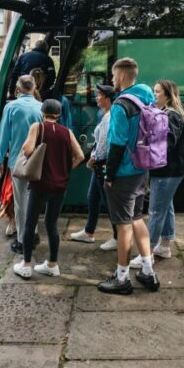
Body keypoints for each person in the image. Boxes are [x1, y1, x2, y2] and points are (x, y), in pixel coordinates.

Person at [97, 57, 160, 295]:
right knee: (136, 219)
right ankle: (148, 271)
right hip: (142, 169)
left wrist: (109, 174)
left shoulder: (121, 105)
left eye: (114, 76)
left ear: (122, 76)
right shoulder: (146, 95)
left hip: (123, 172)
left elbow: (117, 143)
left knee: (123, 225)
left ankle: (122, 278)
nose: (113, 81)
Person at [13, 99, 84, 278]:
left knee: (30, 223)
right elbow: (80, 156)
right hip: (60, 185)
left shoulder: (38, 127)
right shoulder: (67, 132)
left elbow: (28, 150)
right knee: (52, 225)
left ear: (42, 112)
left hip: (40, 183)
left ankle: (26, 264)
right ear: (58, 115)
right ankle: (52, 264)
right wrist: (65, 170)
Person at [130, 80, 184, 267]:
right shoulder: (168, 113)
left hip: (167, 171)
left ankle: (146, 254)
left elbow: (167, 143)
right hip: (169, 170)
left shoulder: (172, 115)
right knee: (166, 206)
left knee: (155, 210)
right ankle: (164, 245)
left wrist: (146, 144)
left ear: (167, 94)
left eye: (157, 92)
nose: (154, 95)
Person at [0, 75, 42, 253]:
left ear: (18, 88)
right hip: (38, 162)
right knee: (33, 200)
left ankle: (23, 240)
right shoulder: (41, 107)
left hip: (18, 162)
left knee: (21, 202)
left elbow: (3, 136)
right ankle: (34, 232)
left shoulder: (11, 107)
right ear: (34, 87)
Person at [70, 84, 118, 250]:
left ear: (108, 98)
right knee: (93, 198)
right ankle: (89, 232)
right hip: (98, 165)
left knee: (108, 201)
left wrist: (93, 159)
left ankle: (118, 237)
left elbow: (104, 144)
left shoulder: (108, 117)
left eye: (99, 95)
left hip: (100, 165)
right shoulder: (106, 115)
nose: (96, 98)